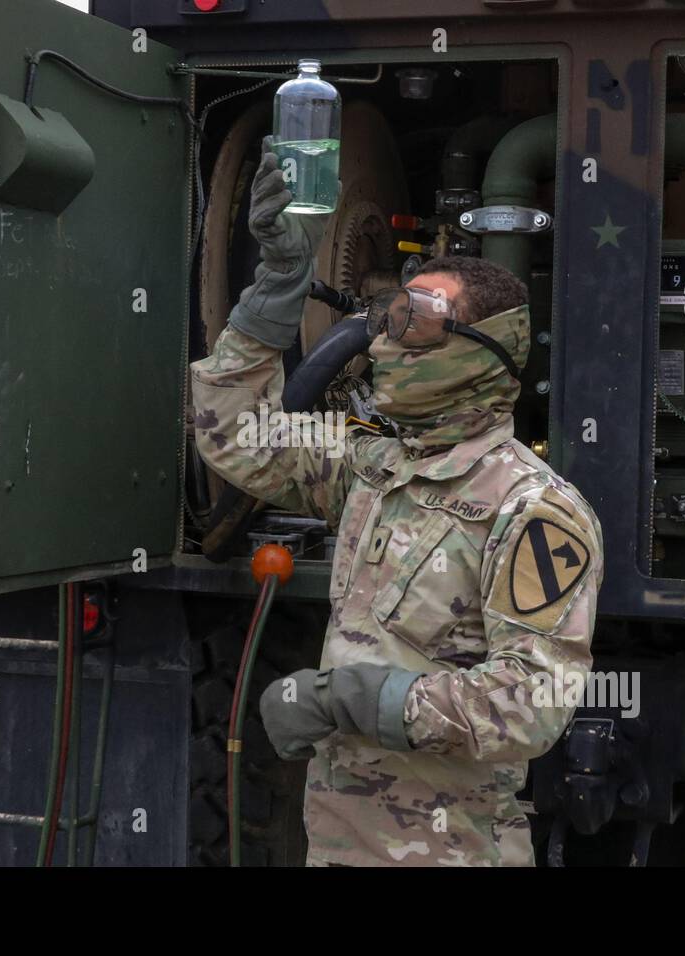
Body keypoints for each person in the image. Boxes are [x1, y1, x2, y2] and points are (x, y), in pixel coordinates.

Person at [190, 139, 604, 866]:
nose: (384, 343)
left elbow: (532, 704)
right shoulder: (371, 466)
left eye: (414, 323)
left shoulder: (533, 508)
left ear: (481, 354)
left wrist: (350, 700)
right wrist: (280, 283)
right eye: (389, 319)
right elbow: (231, 434)